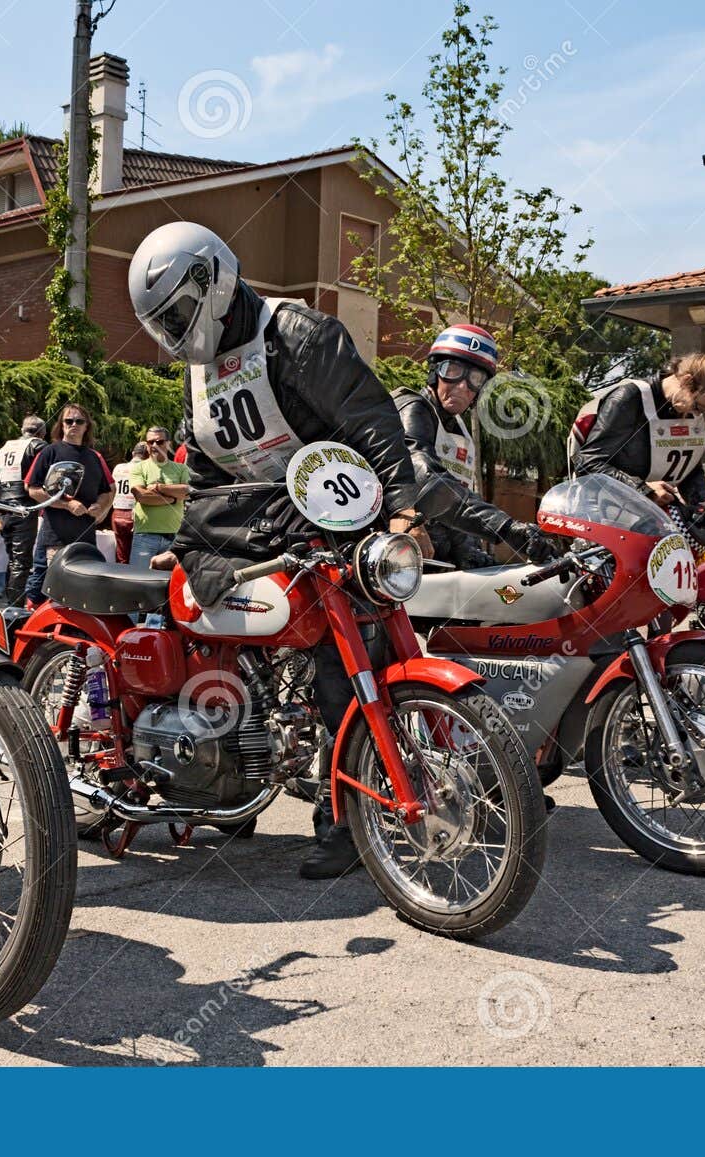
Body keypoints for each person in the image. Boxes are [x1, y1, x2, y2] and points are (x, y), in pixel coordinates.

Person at [129, 221, 487, 881]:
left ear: (214, 281)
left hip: (336, 518)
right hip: (252, 522)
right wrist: (186, 543)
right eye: (164, 322)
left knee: (346, 671)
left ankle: (343, 820)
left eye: (178, 313)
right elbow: (205, 468)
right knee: (215, 640)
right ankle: (226, 783)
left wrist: (404, 508)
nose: (175, 331)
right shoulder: (197, 375)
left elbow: (373, 421)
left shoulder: (300, 335)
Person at [394, 324, 559, 567]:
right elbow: (428, 480)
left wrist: (468, 552)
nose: (462, 386)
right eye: (453, 370)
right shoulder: (413, 409)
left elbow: (456, 503)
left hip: (438, 560)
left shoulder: (460, 431)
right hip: (397, 557)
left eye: (475, 379)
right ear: (434, 372)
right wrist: (506, 528)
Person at [570, 352, 705, 519]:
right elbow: (587, 462)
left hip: (649, 518)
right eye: (697, 406)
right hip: (602, 515)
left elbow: (688, 470)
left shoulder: (685, 407)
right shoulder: (629, 399)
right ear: (686, 381)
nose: (697, 414)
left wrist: (702, 504)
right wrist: (644, 490)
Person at [23, 402, 113, 605]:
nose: (74, 424)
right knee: (51, 590)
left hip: (85, 539)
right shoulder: (50, 452)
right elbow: (33, 489)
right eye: (69, 420)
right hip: (55, 537)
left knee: (80, 591)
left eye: (79, 421)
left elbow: (106, 492)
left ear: (87, 426)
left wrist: (100, 506)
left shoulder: (94, 457)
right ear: (61, 425)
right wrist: (66, 505)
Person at [0, 416, 48, 606]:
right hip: (24, 506)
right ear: (42, 432)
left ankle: (11, 603)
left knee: (13, 559)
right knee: (21, 561)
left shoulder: (6, 447)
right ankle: (15, 608)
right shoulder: (38, 446)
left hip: (4, 505)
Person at [129, 426, 191, 570]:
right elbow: (141, 496)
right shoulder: (138, 468)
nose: (154, 445)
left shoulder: (181, 468)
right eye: (150, 442)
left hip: (174, 537)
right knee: (138, 578)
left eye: (160, 442)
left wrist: (159, 488)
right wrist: (172, 499)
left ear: (168, 443)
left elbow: (187, 492)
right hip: (145, 536)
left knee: (170, 581)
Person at [110, 441, 146, 564]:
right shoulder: (145, 469)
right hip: (136, 513)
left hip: (117, 512)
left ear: (133, 453)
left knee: (121, 554)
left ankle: (120, 573)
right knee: (138, 555)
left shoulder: (118, 467)